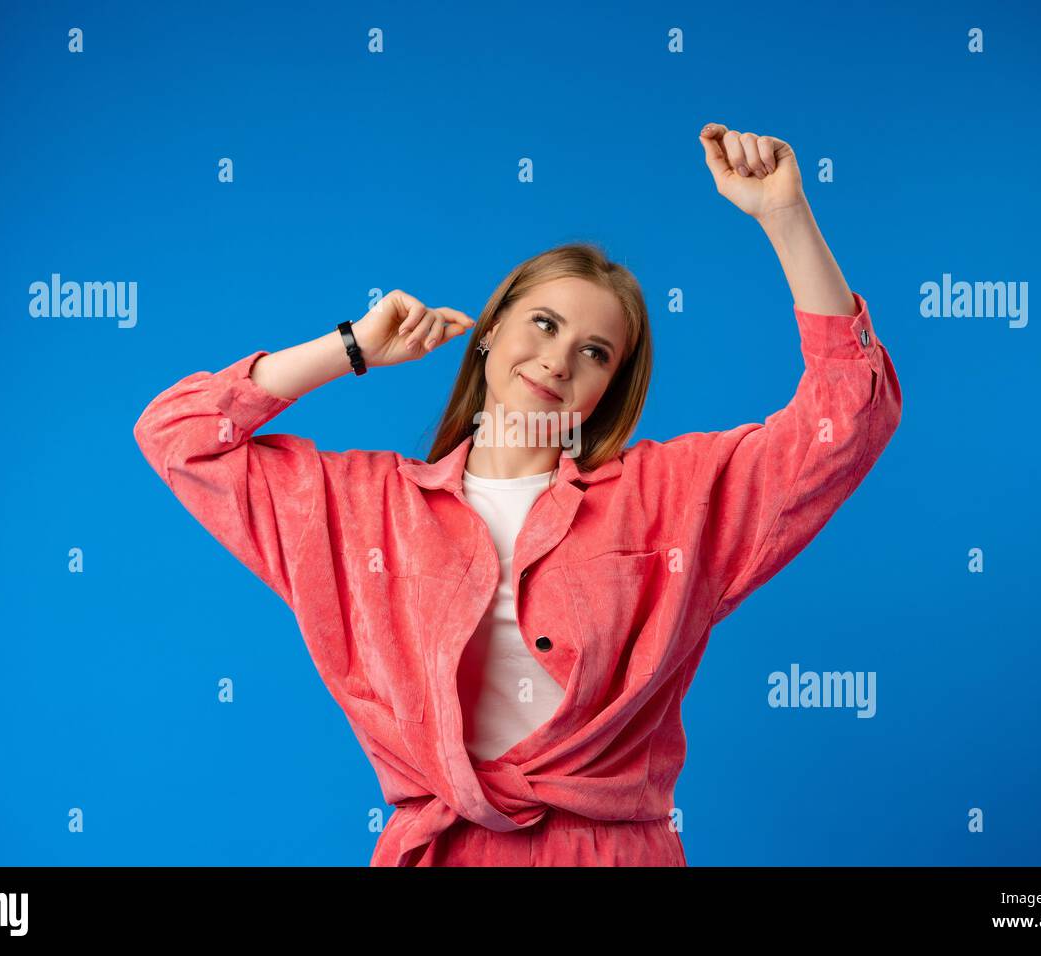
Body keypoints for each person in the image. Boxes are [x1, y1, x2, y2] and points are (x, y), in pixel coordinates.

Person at [132, 124, 904, 866]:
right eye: (542, 323)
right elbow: (179, 434)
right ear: (492, 330)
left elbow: (849, 417)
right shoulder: (363, 507)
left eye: (594, 352)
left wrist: (787, 217)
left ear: (608, 388)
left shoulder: (672, 496)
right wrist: (352, 347)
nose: (558, 359)